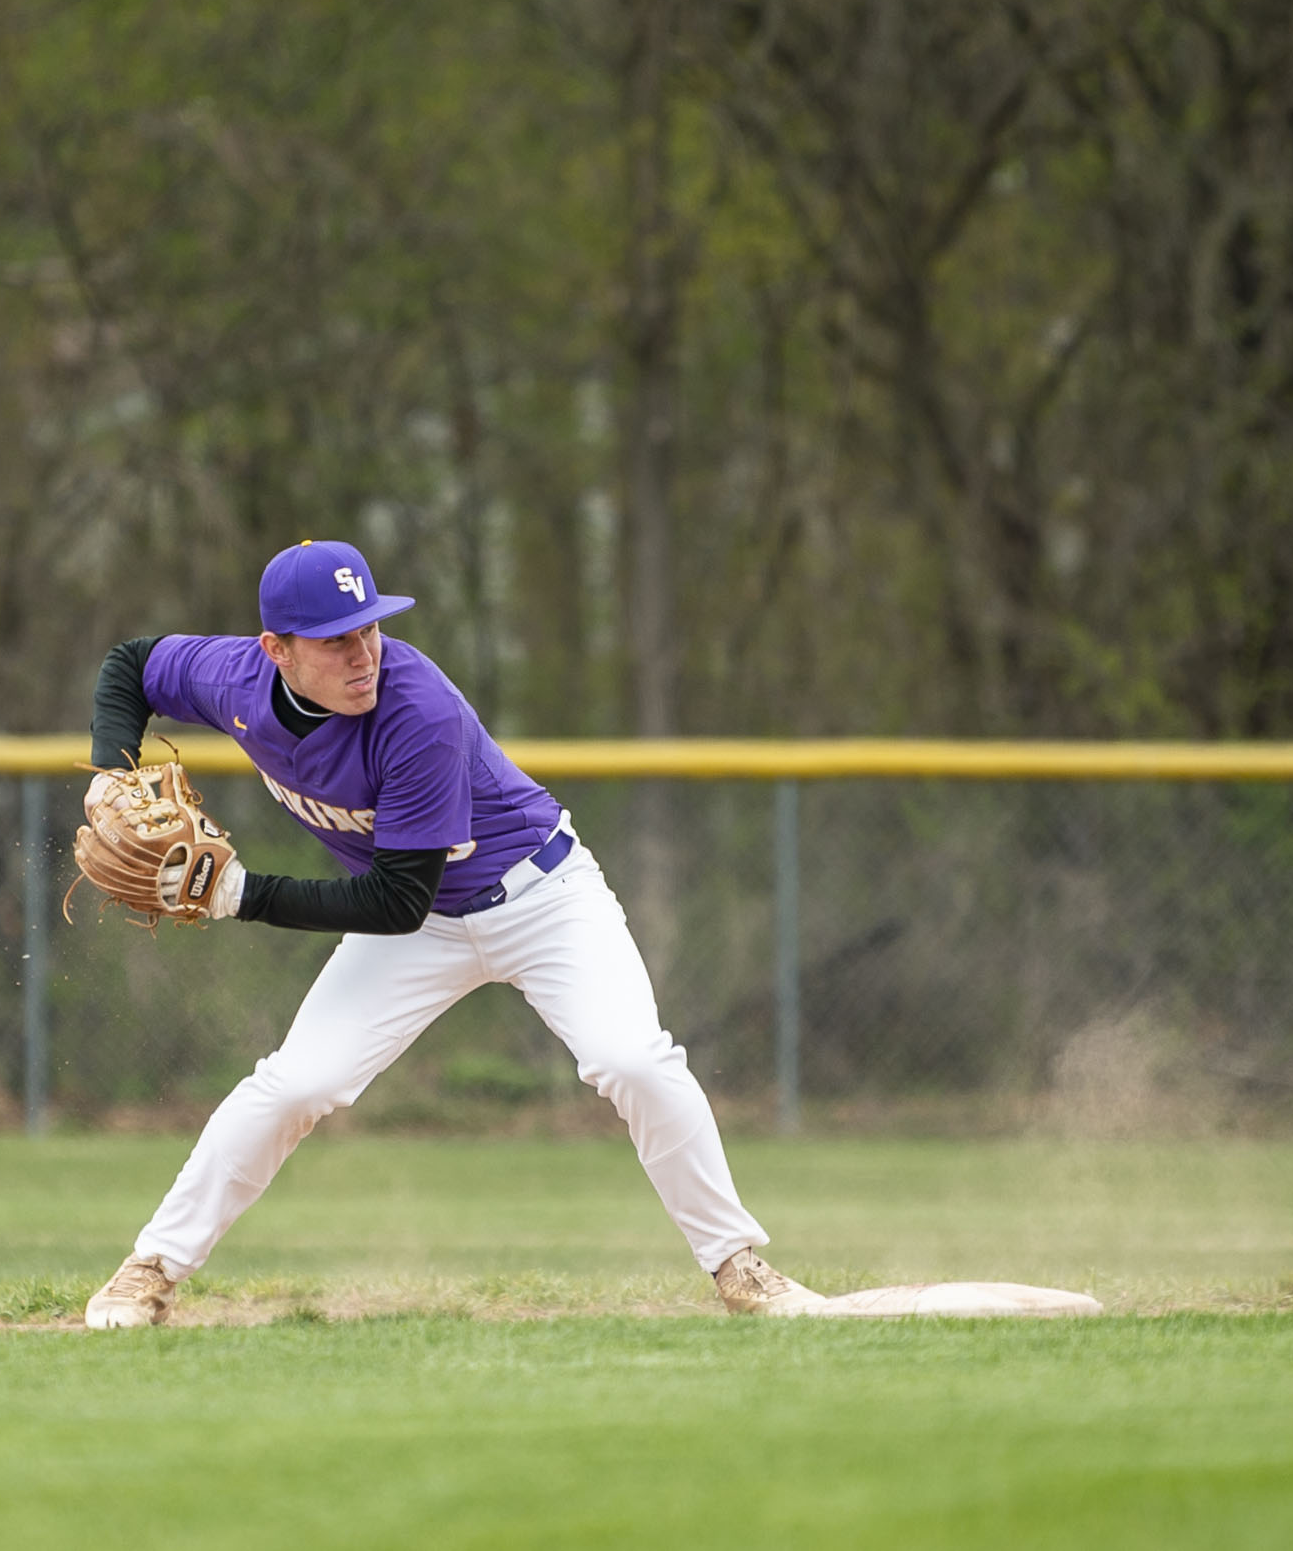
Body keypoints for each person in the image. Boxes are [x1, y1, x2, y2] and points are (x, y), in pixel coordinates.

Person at [79, 540, 821, 1326]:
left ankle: (740, 1265)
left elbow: (395, 899)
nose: (362, 652)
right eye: (335, 639)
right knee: (295, 1083)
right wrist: (109, 774)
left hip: (541, 897)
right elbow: (131, 664)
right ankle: (149, 1268)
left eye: (369, 626)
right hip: (424, 923)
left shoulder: (414, 709)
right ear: (277, 650)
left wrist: (240, 895)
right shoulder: (231, 677)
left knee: (630, 1058)